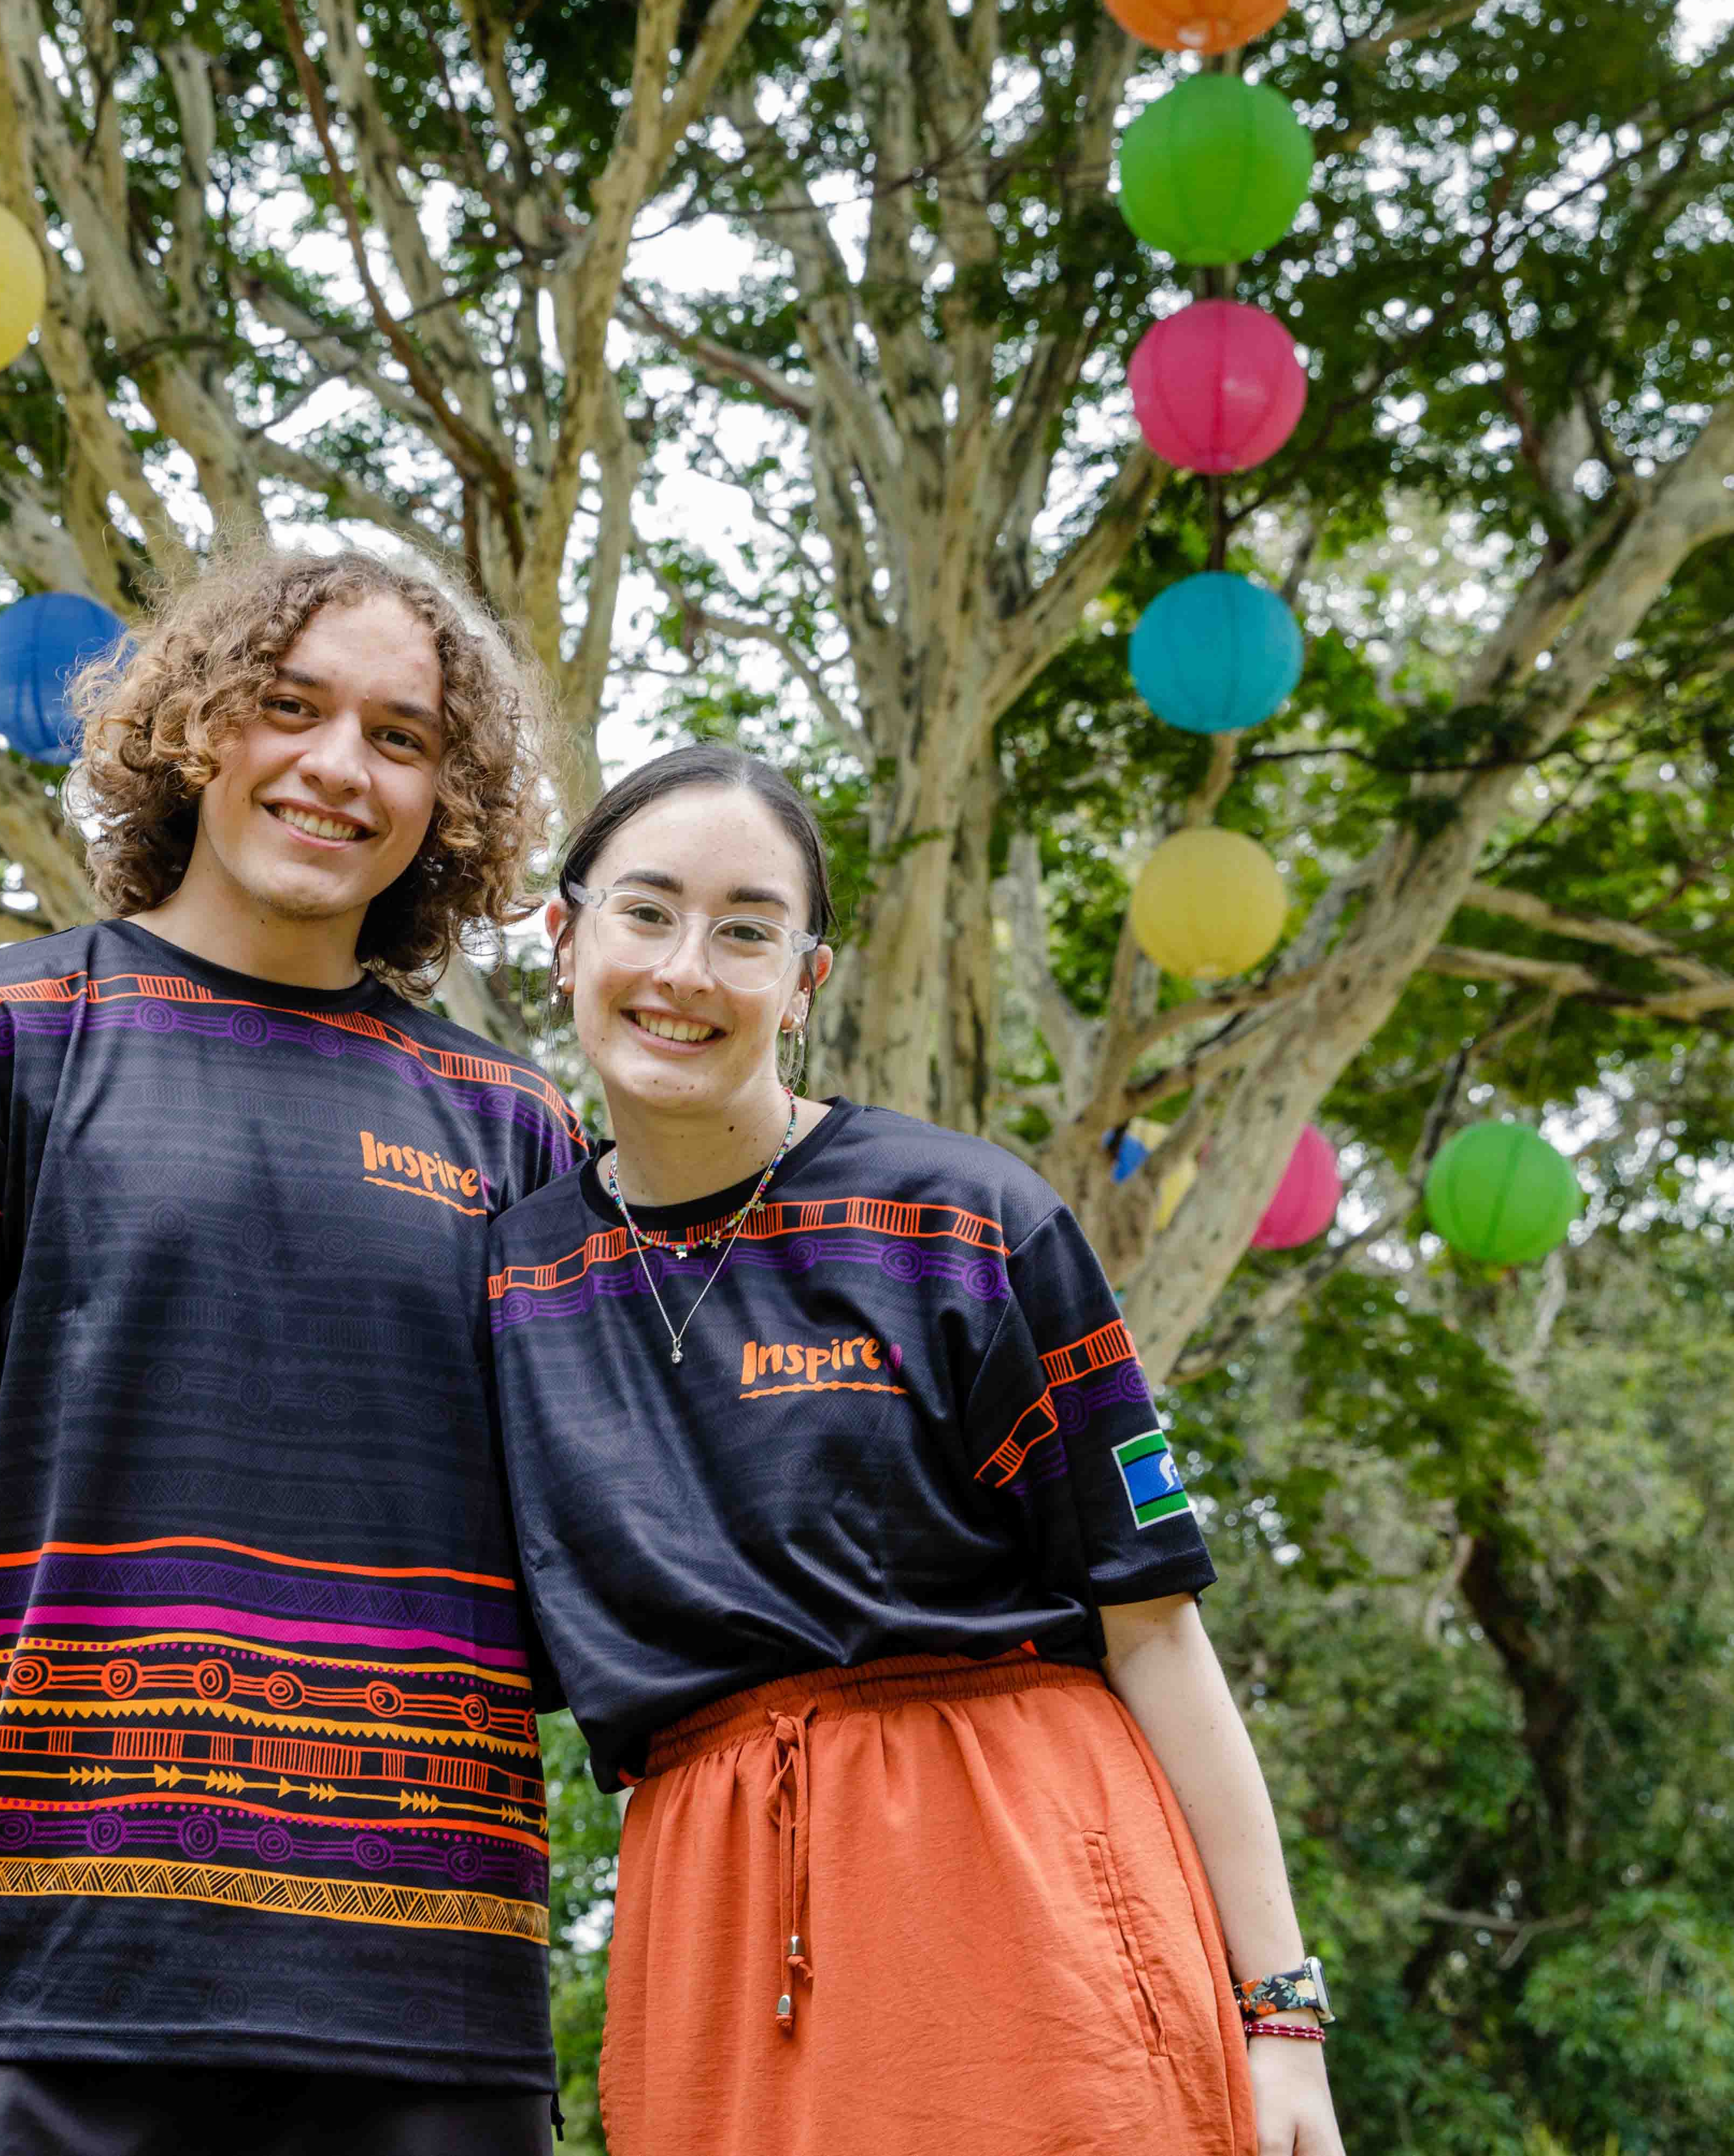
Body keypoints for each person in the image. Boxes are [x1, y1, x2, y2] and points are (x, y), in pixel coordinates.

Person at [0, 547, 586, 2156]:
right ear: (197, 729)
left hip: (425, 2016)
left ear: (450, 797)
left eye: (403, 736)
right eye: (292, 706)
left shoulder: (523, 1130)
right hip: (23, 1998)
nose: (339, 765)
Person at [480, 744, 1348, 2156]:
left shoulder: (968, 1217)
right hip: (708, 1907)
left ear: (804, 982)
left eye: (747, 929)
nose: (687, 968)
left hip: (1015, 1872)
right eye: (646, 912)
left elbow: (1158, 1634)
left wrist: (1282, 2014)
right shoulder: (510, 1281)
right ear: (565, 933)